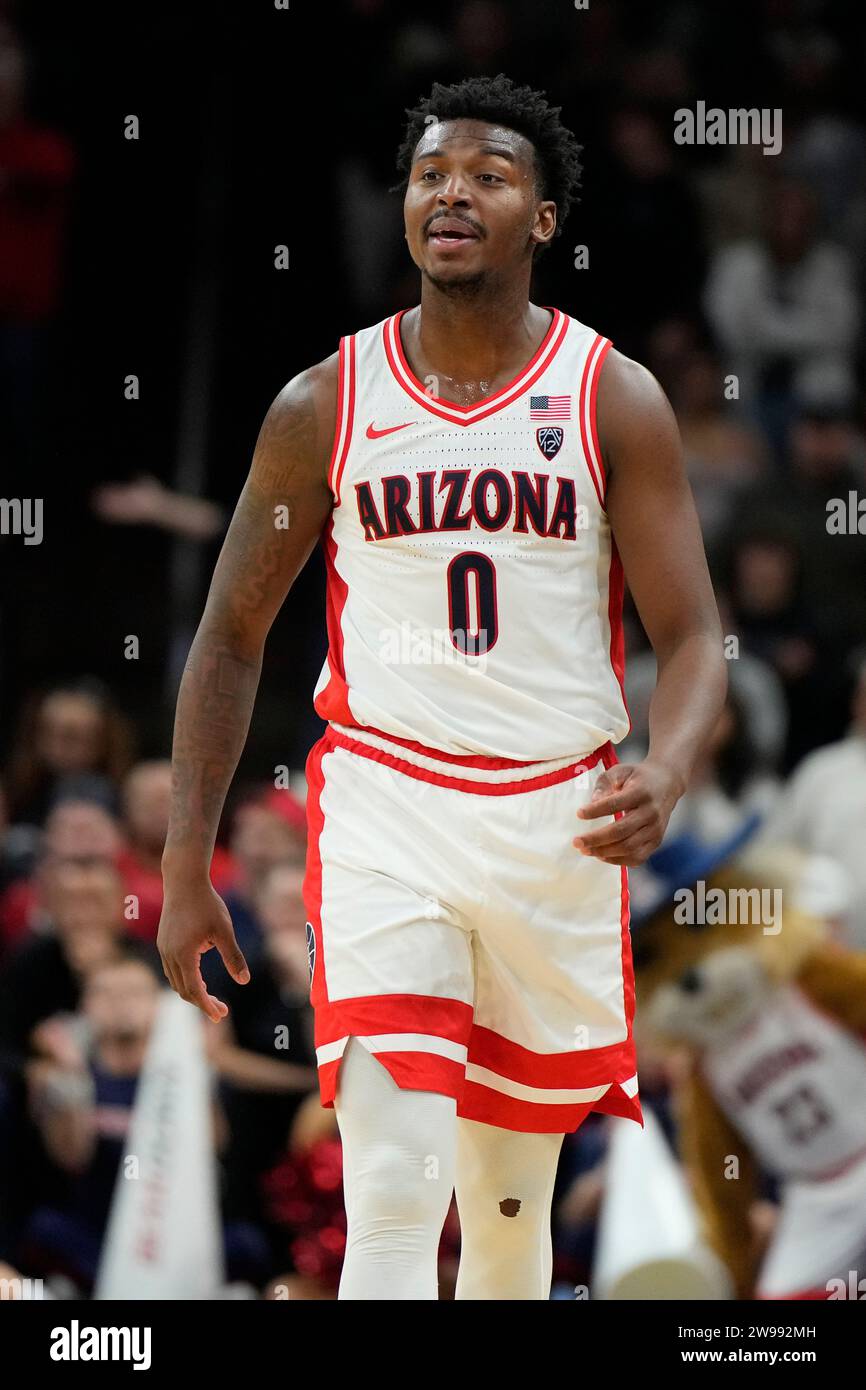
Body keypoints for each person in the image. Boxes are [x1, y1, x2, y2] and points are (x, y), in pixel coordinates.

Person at [157, 74, 726, 1300]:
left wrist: (668, 768)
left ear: (543, 220)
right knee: (397, 1193)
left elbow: (691, 639)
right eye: (428, 174)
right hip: (386, 809)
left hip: (555, 823)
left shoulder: (608, 395)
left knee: (509, 1222)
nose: (450, 192)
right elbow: (228, 635)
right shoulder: (323, 404)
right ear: (404, 209)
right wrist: (182, 860)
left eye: (487, 175)